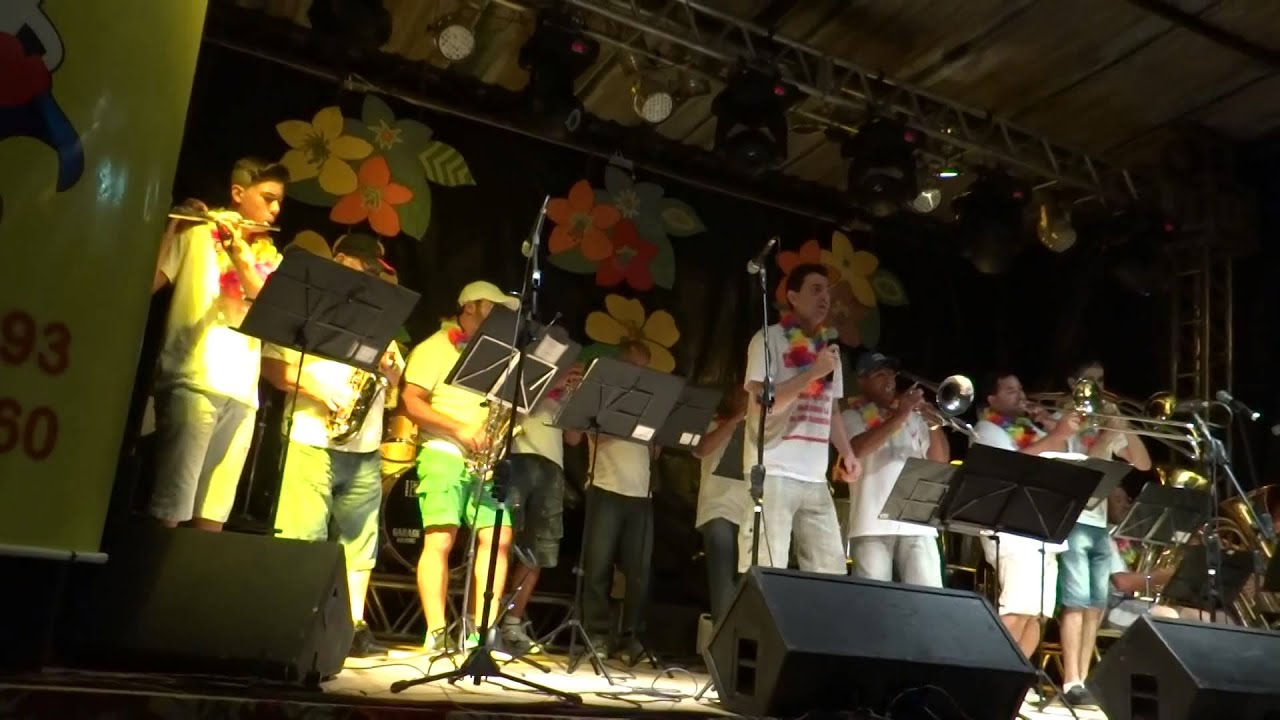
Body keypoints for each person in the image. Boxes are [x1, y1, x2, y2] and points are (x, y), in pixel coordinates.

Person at [260, 235, 403, 659]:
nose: (370, 280)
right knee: (302, 535)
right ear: (339, 262)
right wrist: (318, 388)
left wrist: (392, 369)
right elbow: (273, 365)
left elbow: (395, 383)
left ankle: (353, 626)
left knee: (359, 543)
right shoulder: (304, 307)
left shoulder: (380, 320)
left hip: (365, 445)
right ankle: (292, 619)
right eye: (364, 268)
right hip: (311, 436)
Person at [148, 157, 286, 531]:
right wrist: (172, 228)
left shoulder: (271, 260)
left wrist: (238, 253)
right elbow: (148, 287)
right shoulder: (196, 235)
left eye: (279, 203)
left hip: (243, 396)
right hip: (193, 382)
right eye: (268, 198)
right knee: (170, 510)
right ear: (238, 193)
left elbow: (269, 309)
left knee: (212, 517)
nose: (274, 210)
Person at [400, 280, 520, 653]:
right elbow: (411, 403)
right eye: (492, 307)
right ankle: (436, 632)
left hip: (487, 457)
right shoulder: (434, 347)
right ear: (469, 306)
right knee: (441, 539)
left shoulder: (500, 354)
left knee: (499, 538)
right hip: (443, 450)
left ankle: (480, 633)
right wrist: (460, 429)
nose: (499, 315)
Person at [739, 263, 862, 575]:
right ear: (793, 296)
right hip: (774, 471)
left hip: (816, 478)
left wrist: (848, 453)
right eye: (815, 289)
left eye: (827, 292)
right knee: (768, 573)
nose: (825, 298)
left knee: (831, 576)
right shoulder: (768, 339)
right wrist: (813, 373)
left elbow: (831, 409)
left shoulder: (827, 351)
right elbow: (764, 403)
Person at [1057, 361, 1151, 707]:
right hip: (1072, 518)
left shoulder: (1105, 421)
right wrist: (1110, 434)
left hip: (1098, 524)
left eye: (1101, 379)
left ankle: (1084, 680)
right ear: (1072, 382)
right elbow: (1089, 468)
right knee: (1076, 600)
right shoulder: (1065, 420)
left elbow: (1141, 464)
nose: (1098, 386)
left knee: (1096, 603)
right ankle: (1070, 680)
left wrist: (1124, 423)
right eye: (1090, 380)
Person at [971, 371, 1081, 660]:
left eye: (1020, 389)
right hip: (1011, 528)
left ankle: (1017, 676)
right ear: (992, 399)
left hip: (1041, 526)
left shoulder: (1028, 429)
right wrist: (1056, 434)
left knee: (1037, 615)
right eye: (1009, 390)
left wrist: (1046, 422)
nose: (1020, 395)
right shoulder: (986, 428)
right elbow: (1013, 466)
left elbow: (1065, 448)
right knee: (1017, 611)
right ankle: (994, 670)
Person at [566, 339, 659, 663]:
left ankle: (632, 637)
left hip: (641, 494)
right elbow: (573, 437)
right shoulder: (601, 394)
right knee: (598, 567)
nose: (639, 373)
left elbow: (655, 451)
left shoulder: (651, 402)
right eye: (634, 366)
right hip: (605, 487)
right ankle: (597, 634)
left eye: (644, 369)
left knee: (639, 572)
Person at [497, 359, 584, 656]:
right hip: (518, 457)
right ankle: (485, 621)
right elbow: (511, 407)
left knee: (538, 549)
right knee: (501, 543)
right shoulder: (528, 371)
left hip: (553, 467)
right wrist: (554, 382)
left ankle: (512, 620)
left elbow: (574, 438)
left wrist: (575, 401)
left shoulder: (563, 391)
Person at [841, 352, 949, 587]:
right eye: (880, 374)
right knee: (873, 605)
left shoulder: (913, 417)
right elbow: (856, 449)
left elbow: (939, 462)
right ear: (862, 381)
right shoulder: (851, 416)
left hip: (917, 522)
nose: (889, 380)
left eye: (891, 374)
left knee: (929, 600)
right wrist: (900, 415)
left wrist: (932, 423)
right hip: (871, 524)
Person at [692, 385, 750, 623]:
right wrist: (737, 419)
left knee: (747, 590)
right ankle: (721, 649)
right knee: (723, 587)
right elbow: (700, 449)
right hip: (718, 512)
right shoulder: (713, 423)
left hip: (749, 517)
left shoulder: (760, 431)